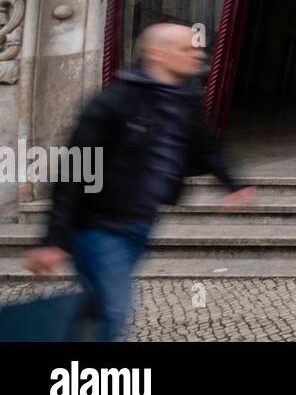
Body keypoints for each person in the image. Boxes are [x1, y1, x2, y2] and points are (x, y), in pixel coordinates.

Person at [21, 23, 255, 341]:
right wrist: (54, 239)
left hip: (141, 223)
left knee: (97, 300)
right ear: (158, 54)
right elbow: (72, 171)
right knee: (114, 307)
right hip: (97, 225)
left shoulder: (186, 100)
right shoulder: (113, 102)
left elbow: (205, 146)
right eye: (188, 49)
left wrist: (233, 183)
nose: (199, 54)